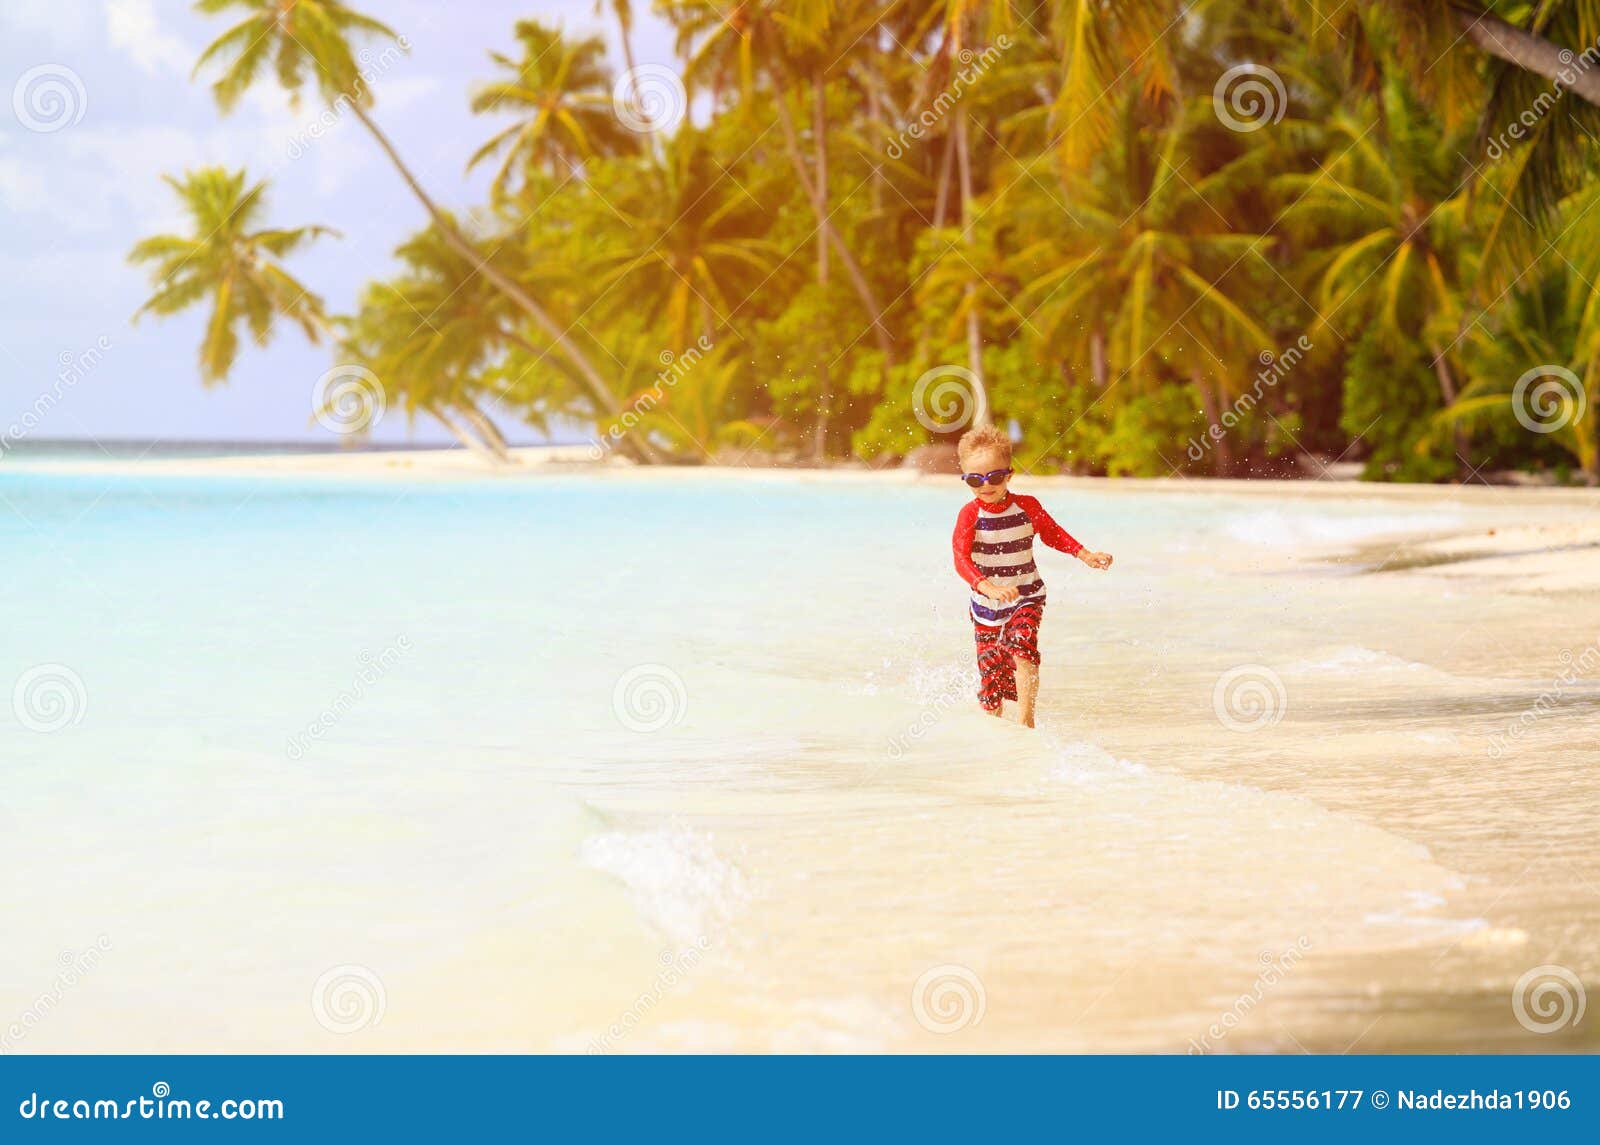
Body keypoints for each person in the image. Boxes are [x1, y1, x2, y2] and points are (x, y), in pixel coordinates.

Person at [950, 425, 1112, 727]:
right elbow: (960, 559)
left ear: (1009, 475)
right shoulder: (970, 515)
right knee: (992, 684)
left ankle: (1026, 724)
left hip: (1028, 595)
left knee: (1023, 647)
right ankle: (992, 733)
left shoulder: (1027, 507)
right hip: (986, 608)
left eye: (994, 477)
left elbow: (1052, 534)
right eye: (975, 479)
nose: (985, 485)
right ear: (965, 478)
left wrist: (1084, 553)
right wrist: (987, 586)